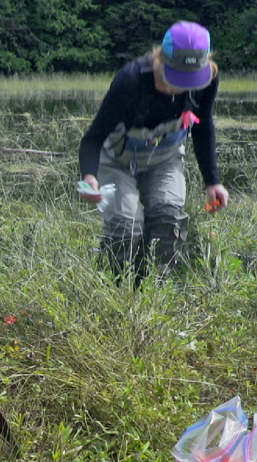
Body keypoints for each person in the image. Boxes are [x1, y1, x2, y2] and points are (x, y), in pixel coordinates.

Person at [78, 21, 230, 283]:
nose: (180, 87)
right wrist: (90, 177)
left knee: (168, 217)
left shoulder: (208, 79)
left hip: (166, 159)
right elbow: (93, 138)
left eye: (188, 79)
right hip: (117, 161)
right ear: (161, 57)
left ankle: (153, 288)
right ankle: (114, 287)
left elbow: (203, 128)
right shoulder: (130, 80)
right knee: (126, 226)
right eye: (175, 77)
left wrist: (213, 181)